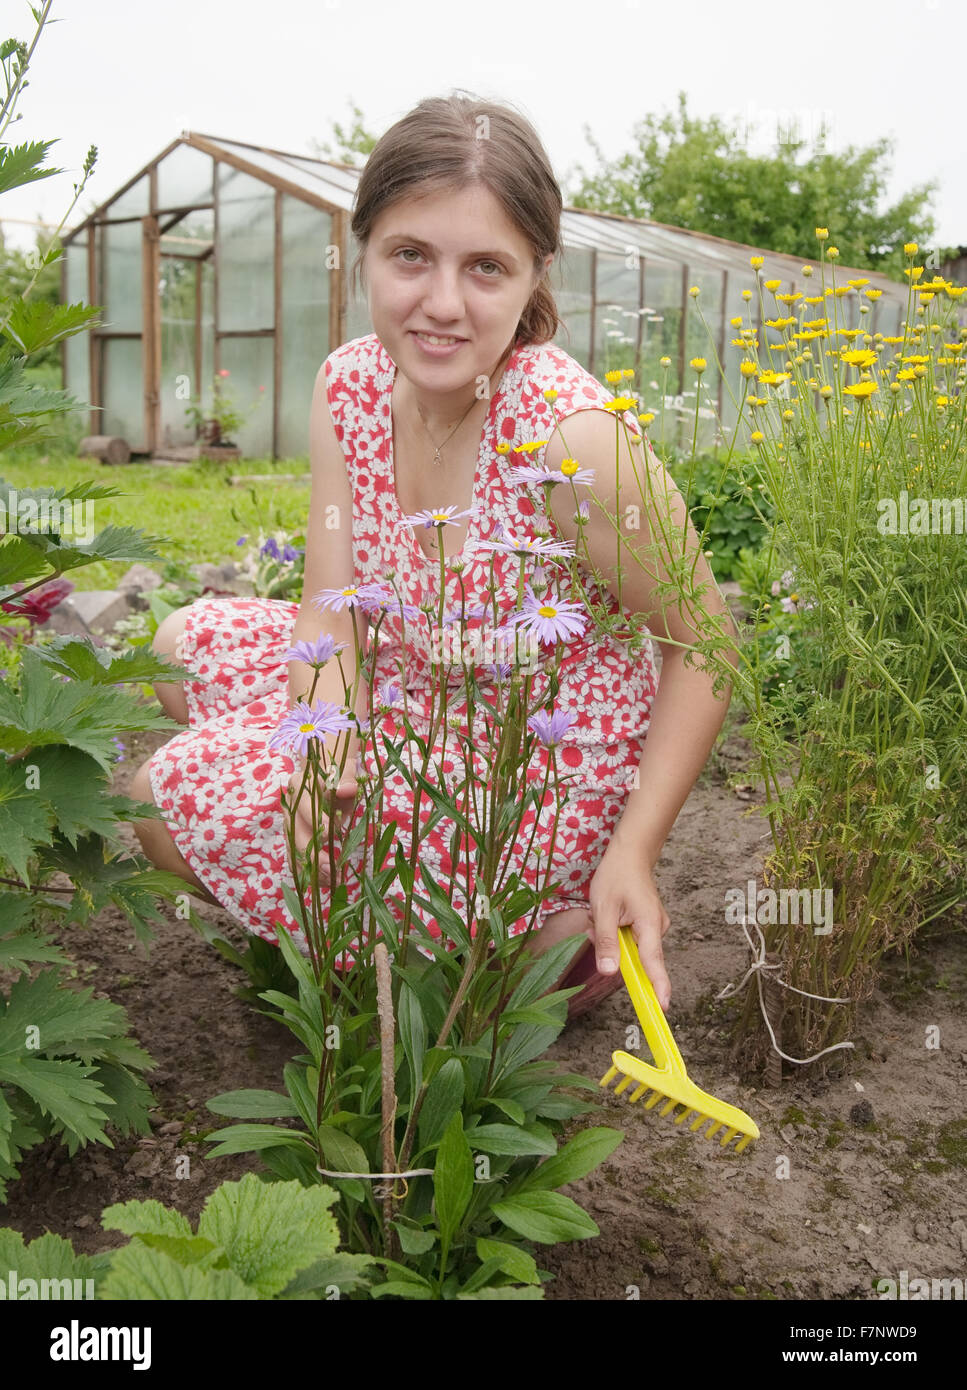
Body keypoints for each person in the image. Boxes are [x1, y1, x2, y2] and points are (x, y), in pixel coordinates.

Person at [129, 92, 737, 1021]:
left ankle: (518, 946)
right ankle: (426, 934)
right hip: (414, 669)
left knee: (158, 798)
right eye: (410, 255)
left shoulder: (570, 441)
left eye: (486, 267)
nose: (442, 305)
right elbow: (329, 606)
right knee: (179, 644)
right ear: (361, 246)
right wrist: (323, 750)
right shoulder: (350, 384)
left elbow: (705, 645)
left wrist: (636, 851)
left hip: (534, 751)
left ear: (536, 275)